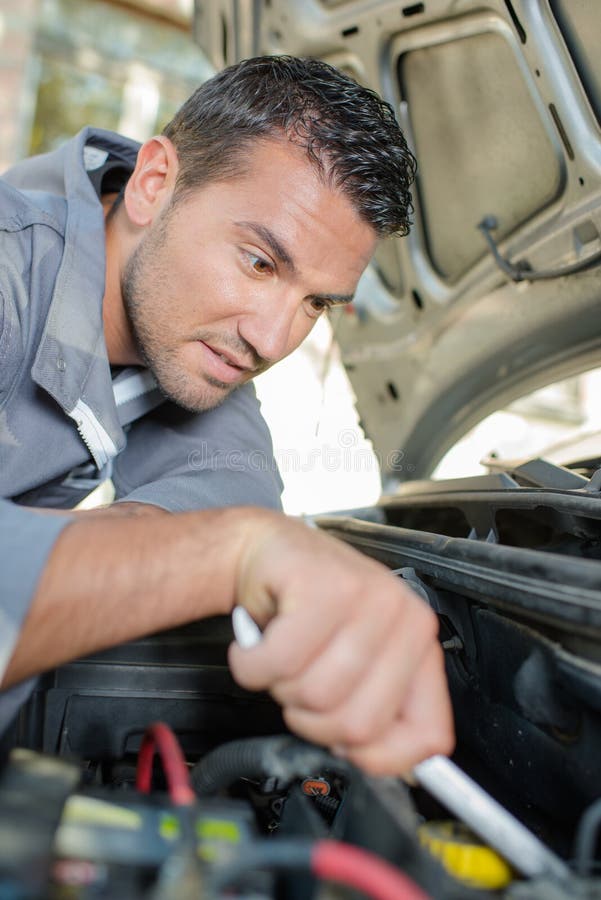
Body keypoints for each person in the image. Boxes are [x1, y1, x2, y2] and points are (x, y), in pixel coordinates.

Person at [0, 56, 454, 774]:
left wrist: (230, 548)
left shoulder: (192, 344)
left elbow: (236, 496)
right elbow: (230, 542)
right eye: (260, 264)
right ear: (154, 184)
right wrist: (226, 553)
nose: (272, 340)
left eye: (316, 303)